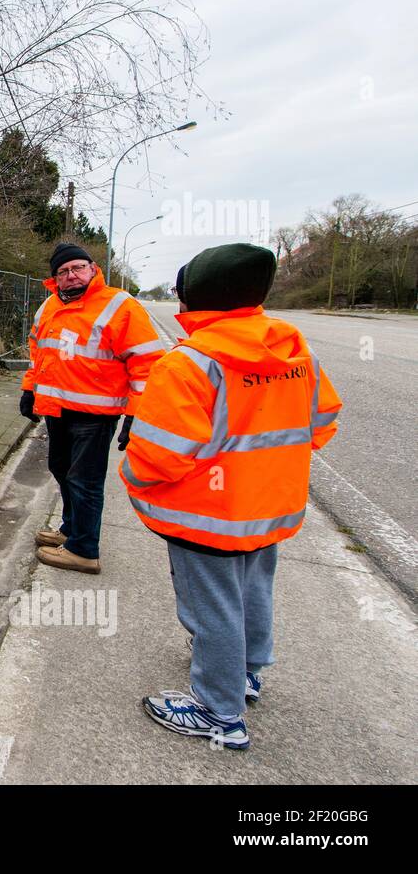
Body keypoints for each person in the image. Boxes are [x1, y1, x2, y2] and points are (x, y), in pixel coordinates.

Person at [121, 244, 342, 750]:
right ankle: (246, 673)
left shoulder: (190, 363)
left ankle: (219, 711)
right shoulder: (294, 353)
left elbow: (159, 456)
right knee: (252, 591)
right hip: (270, 508)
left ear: (194, 297)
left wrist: (134, 478)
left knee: (212, 608)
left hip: (207, 515)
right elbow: (322, 422)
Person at [20, 242, 165, 574]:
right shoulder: (49, 306)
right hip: (57, 410)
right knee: (61, 469)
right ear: (54, 278)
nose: (71, 276)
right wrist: (30, 390)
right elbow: (37, 351)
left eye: (77, 268)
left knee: (84, 480)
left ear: (92, 268)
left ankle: (84, 550)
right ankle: (71, 530)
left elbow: (146, 364)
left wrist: (136, 414)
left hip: (94, 415)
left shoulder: (118, 305)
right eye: (63, 271)